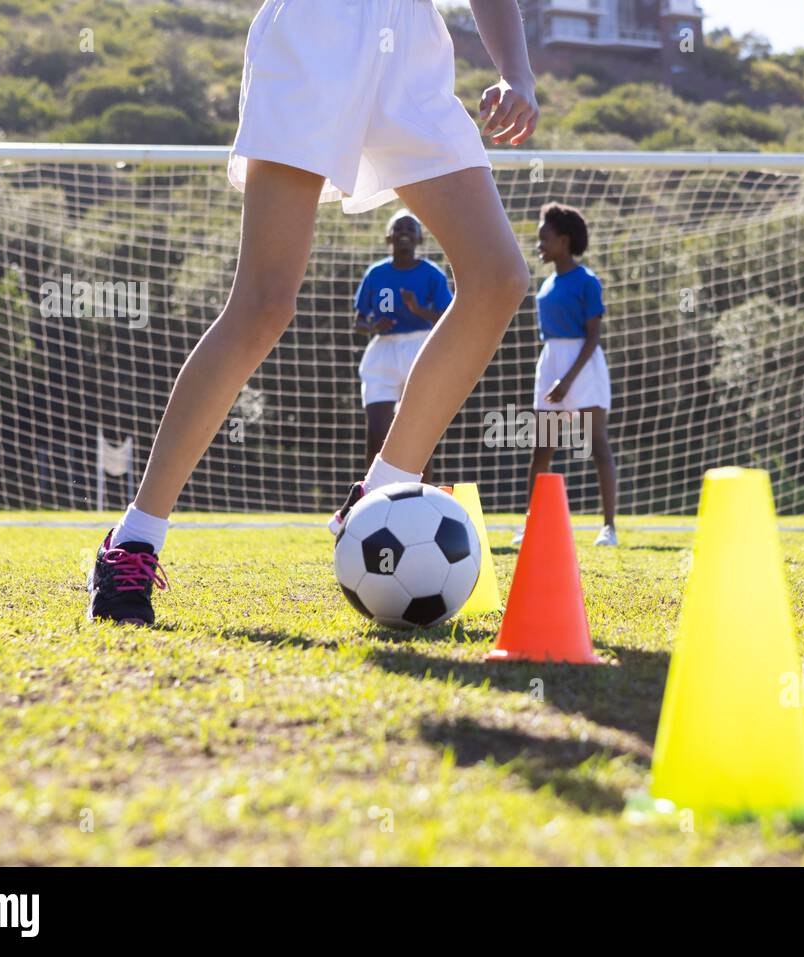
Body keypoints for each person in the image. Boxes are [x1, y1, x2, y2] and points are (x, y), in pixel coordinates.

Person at [88, 0, 537, 625]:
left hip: (411, 48)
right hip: (317, 33)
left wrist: (517, 72)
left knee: (498, 279)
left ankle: (379, 494)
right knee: (264, 305)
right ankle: (132, 542)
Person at [516, 202, 617, 548]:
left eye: (544, 238)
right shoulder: (545, 285)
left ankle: (608, 527)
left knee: (597, 444)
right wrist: (555, 377)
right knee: (542, 449)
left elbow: (593, 336)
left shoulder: (587, 281)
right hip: (551, 361)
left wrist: (569, 380)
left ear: (564, 240)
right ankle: (531, 523)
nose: (539, 245)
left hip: (582, 366)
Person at [353, 208, 452, 484]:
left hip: (420, 348)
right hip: (382, 351)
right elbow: (358, 320)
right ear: (389, 237)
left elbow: (449, 316)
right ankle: (371, 496)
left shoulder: (432, 274)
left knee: (419, 432)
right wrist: (373, 327)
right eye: (399, 228)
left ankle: (422, 495)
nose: (404, 233)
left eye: (410, 229)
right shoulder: (376, 274)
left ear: (420, 238)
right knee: (377, 432)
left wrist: (418, 310)